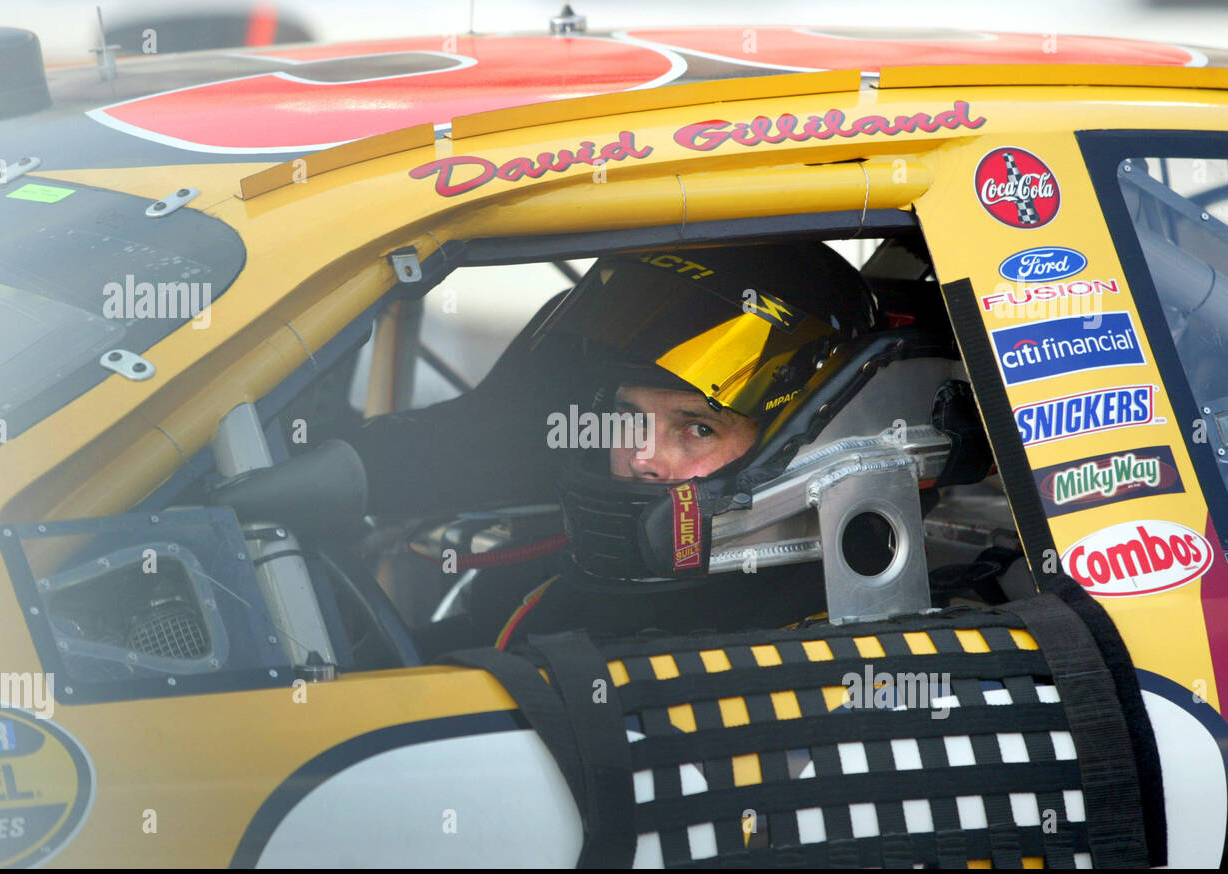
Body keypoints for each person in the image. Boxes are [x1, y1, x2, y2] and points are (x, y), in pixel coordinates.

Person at [343, 241, 882, 657]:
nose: (642, 457)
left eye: (697, 429)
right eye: (627, 419)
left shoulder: (847, 633)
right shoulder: (547, 597)